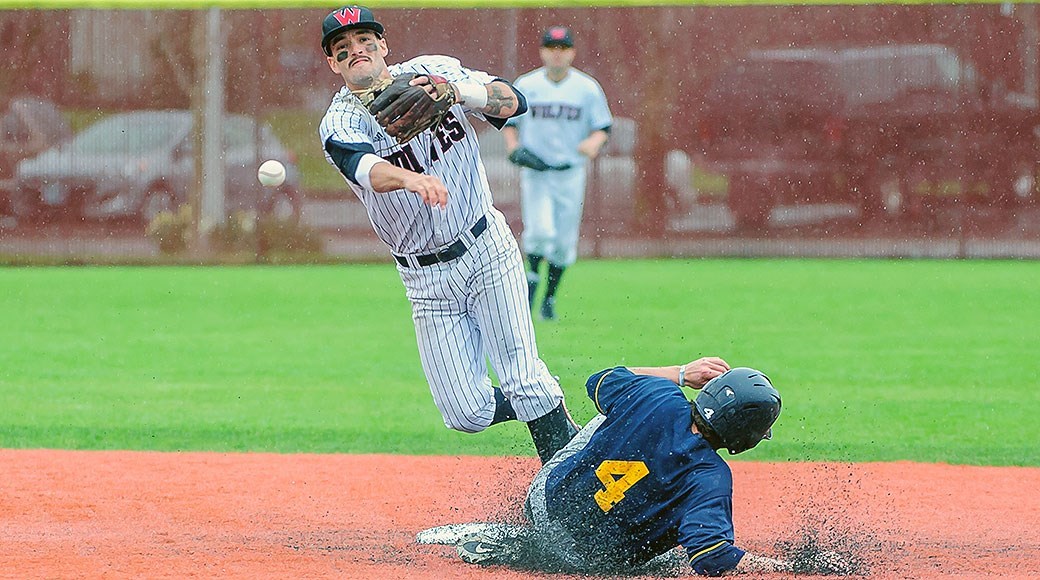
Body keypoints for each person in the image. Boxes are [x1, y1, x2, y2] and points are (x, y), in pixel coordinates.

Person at [317, 6, 579, 464]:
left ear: (384, 46)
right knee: (466, 412)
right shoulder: (340, 122)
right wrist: (409, 179)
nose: (356, 51)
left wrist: (457, 93)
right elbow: (366, 170)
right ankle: (554, 409)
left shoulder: (432, 71)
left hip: (486, 248)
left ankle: (574, 492)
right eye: (344, 49)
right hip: (425, 279)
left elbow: (514, 101)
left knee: (523, 377)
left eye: (365, 41)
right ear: (333, 64)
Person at [450, 358, 839, 576]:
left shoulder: (659, 392)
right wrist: (789, 566)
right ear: (744, 437)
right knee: (674, 535)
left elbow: (599, 380)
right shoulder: (711, 478)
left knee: (616, 413)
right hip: (586, 562)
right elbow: (712, 556)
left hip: (544, 499)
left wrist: (681, 374)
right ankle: (535, 549)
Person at [502, 26, 613, 321]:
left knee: (564, 242)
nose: (557, 53)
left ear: (572, 53)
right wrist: (513, 147)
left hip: (570, 172)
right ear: (542, 52)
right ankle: (531, 280)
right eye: (551, 47)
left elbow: (603, 126)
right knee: (538, 232)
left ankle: (549, 297)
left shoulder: (586, 88)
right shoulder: (527, 84)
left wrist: (593, 142)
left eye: (563, 48)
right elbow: (510, 122)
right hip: (537, 172)